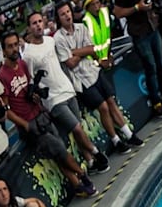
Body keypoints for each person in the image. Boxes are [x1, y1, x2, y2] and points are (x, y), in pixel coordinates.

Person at [0, 31, 95, 200]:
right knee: (59, 149)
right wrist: (24, 125)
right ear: (3, 50)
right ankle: (82, 174)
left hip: (40, 113)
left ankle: (77, 185)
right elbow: (6, 109)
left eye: (16, 44)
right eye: (10, 46)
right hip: (29, 123)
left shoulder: (23, 65)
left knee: (58, 153)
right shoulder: (2, 75)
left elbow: (29, 88)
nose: (14, 49)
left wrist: (36, 96)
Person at [21, 11, 108, 176]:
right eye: (34, 23)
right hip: (53, 99)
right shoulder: (28, 55)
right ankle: (96, 152)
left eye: (40, 21)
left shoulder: (50, 41)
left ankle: (90, 162)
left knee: (78, 129)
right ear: (29, 28)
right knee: (77, 128)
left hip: (67, 88)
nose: (38, 25)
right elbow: (31, 80)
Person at [53, 0, 138, 155]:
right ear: (58, 18)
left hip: (94, 70)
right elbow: (70, 63)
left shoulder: (81, 27)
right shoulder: (58, 39)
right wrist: (83, 51)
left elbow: (92, 49)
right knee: (103, 107)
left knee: (111, 101)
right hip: (81, 81)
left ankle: (129, 134)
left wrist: (75, 51)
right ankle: (116, 141)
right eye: (62, 14)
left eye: (68, 12)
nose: (67, 16)